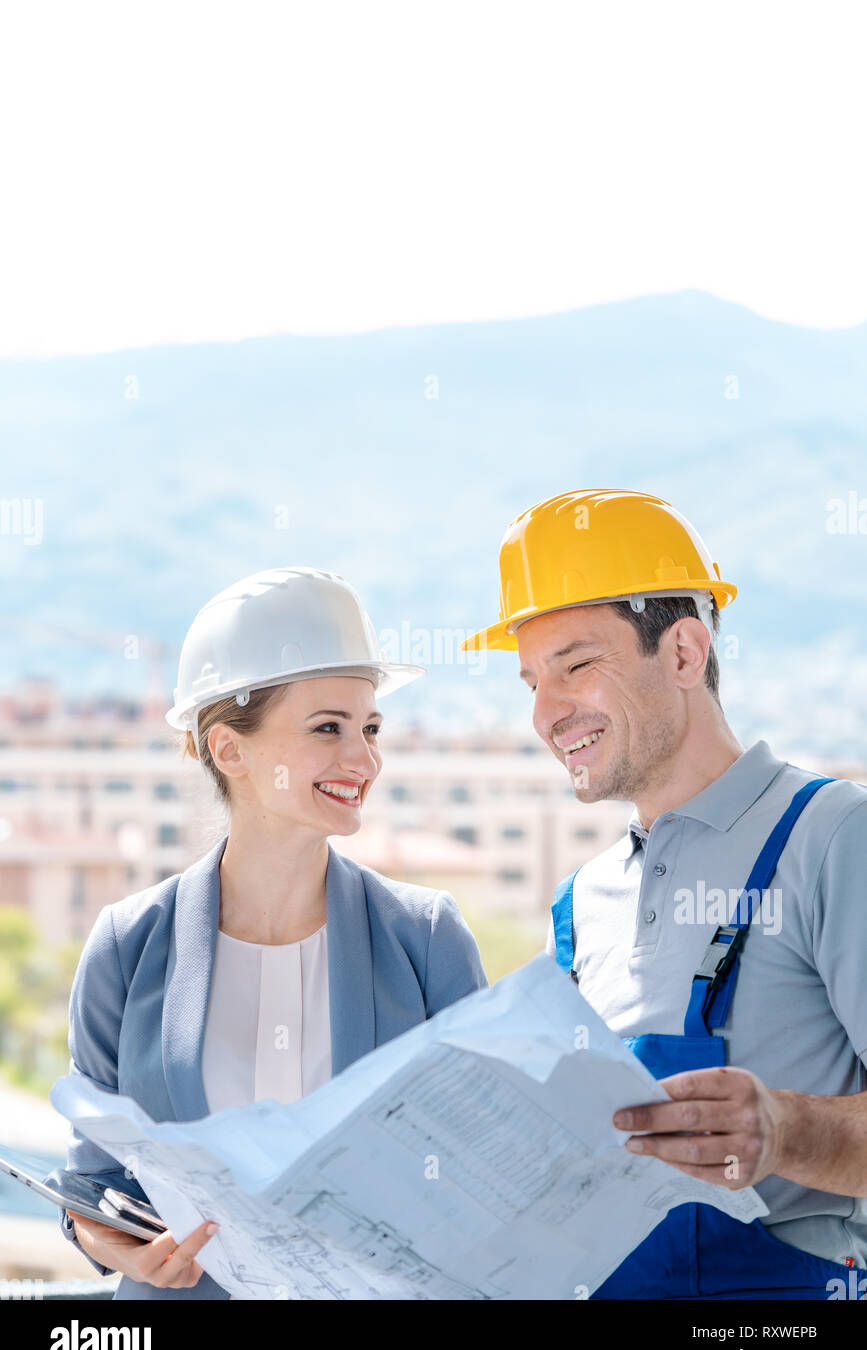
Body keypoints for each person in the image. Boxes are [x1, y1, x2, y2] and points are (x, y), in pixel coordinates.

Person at [461, 487, 867, 1300]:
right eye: (530, 681)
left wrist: (785, 1131)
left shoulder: (833, 836)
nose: (546, 712)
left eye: (575, 665)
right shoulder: (580, 907)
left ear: (683, 653)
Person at [57, 566, 487, 1300]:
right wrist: (134, 1255)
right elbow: (91, 1189)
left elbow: (486, 1169)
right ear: (229, 751)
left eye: (370, 728)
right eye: (328, 729)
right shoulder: (127, 947)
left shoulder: (425, 940)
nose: (364, 760)